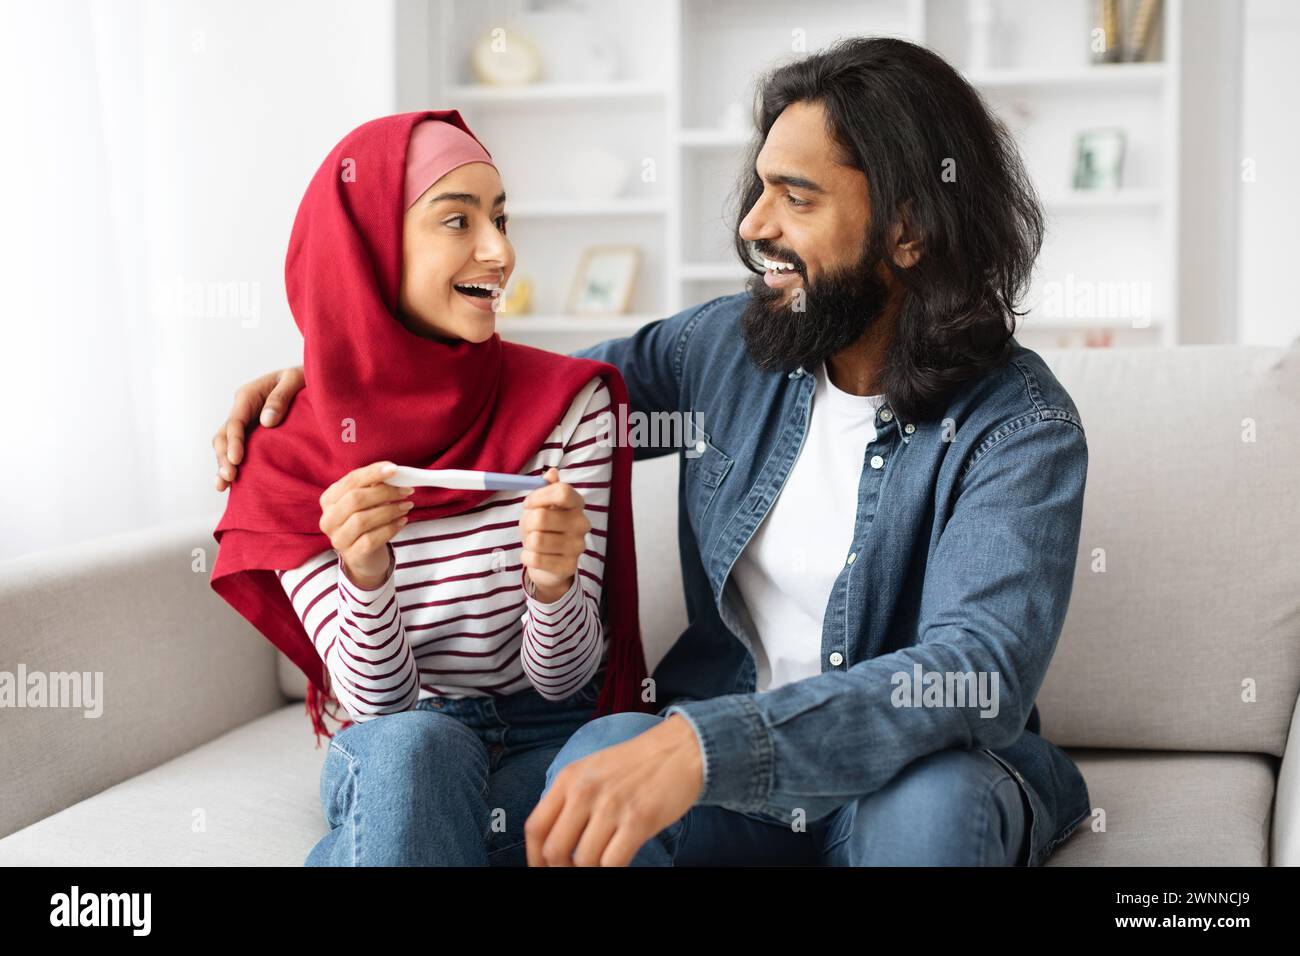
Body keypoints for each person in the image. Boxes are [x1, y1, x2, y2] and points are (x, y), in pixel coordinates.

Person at [213, 39, 1091, 867]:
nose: (753, 225)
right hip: (732, 783)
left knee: (932, 808)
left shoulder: (1020, 426)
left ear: (908, 230)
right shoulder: (722, 351)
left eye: (797, 197)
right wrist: (344, 371)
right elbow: (515, 397)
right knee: (601, 753)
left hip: (906, 773)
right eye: (758, 190)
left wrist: (704, 746)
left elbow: (974, 671)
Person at [209, 110, 651, 867]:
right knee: (418, 751)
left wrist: (551, 584)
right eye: (458, 219)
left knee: (630, 750)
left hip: (551, 731)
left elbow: (565, 679)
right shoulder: (285, 454)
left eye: (502, 217)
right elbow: (378, 706)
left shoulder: (572, 406)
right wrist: (366, 576)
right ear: (370, 248)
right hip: (397, 743)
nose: (501, 250)